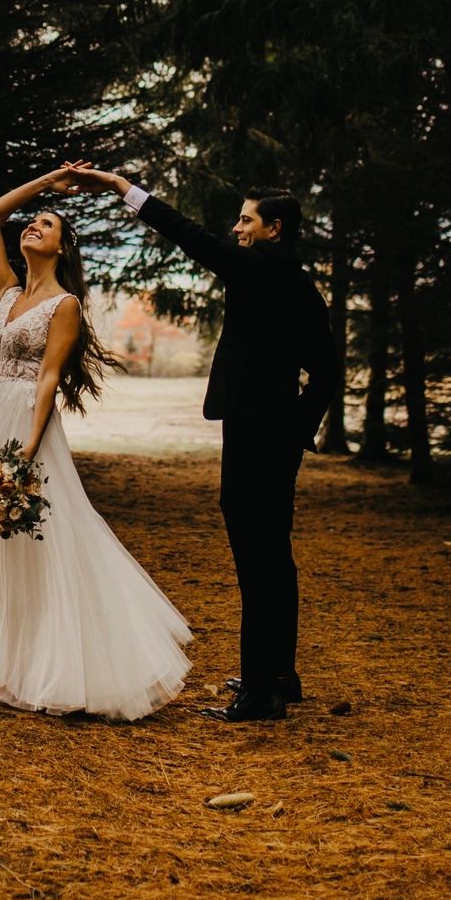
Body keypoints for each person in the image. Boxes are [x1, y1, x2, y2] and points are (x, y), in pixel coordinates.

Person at [63, 164, 341, 722]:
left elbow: (187, 235)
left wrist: (124, 189)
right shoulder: (294, 278)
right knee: (273, 558)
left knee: (258, 558)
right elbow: (328, 368)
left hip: (260, 433)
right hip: (271, 432)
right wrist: (297, 425)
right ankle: (278, 677)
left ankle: (261, 694)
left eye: (246, 220)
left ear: (274, 229)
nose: (236, 229)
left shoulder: (262, 269)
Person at [0, 167, 193, 720]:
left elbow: (47, 380)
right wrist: (49, 184)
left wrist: (23, 454)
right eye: (32, 223)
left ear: (62, 248)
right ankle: (8, 677)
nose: (32, 227)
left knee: (44, 544)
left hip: (22, 425)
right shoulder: (6, 291)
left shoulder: (63, 307)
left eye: (46, 224)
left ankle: (61, 674)